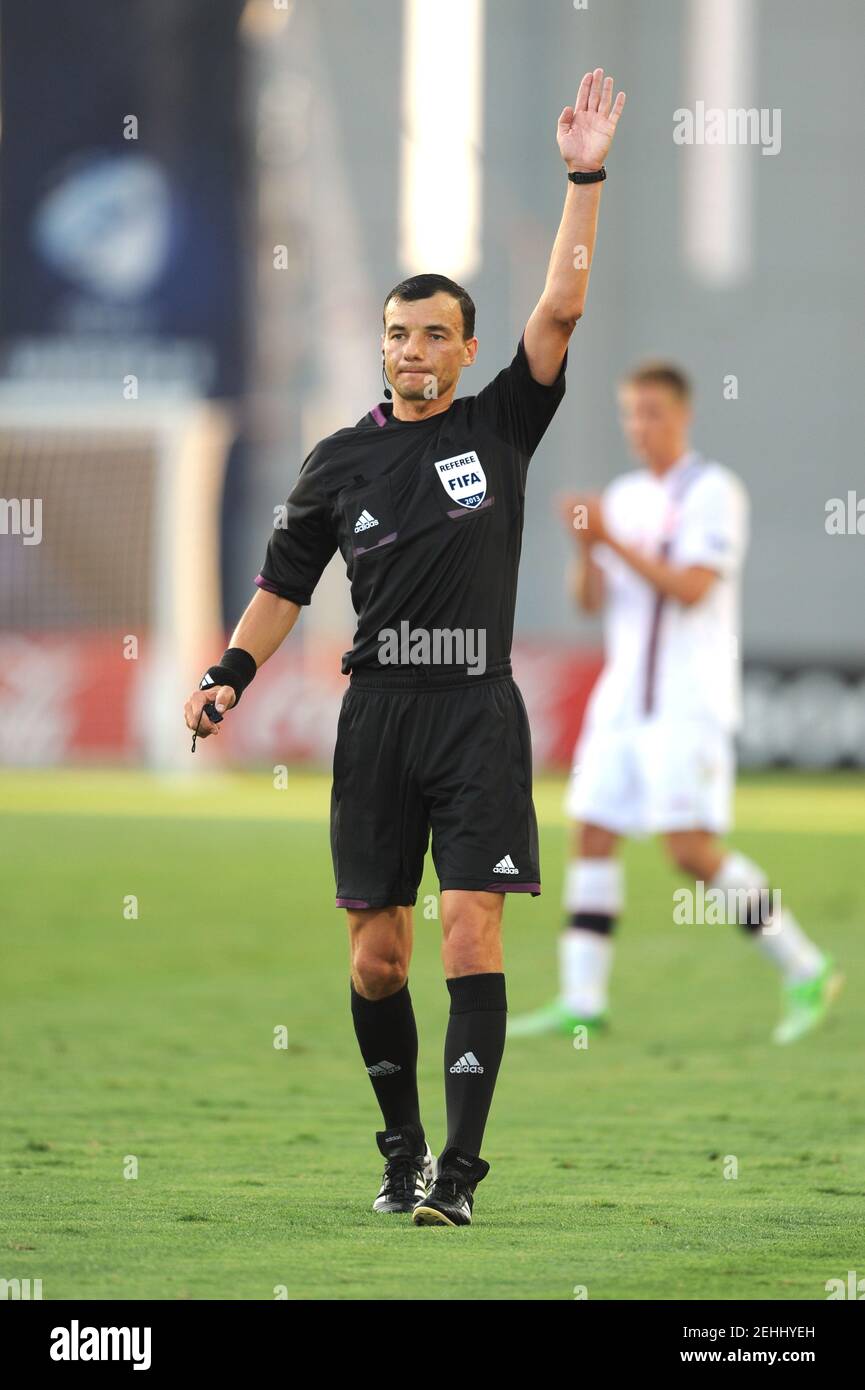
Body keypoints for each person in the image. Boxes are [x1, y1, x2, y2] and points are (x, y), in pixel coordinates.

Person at [184, 70, 627, 1226]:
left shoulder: (500, 422)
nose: (413, 349)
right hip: (376, 715)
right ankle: (400, 1150)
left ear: (467, 346)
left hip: (475, 711)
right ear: (379, 349)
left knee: (469, 929)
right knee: (377, 957)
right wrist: (230, 672)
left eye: (434, 334)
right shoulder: (335, 462)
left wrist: (584, 176)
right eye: (397, 334)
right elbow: (282, 588)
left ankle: (460, 1179)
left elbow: (564, 310)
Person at [509, 362, 842, 1046]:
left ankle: (804, 965)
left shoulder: (712, 491)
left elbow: (690, 588)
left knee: (688, 850)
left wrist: (608, 540)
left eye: (653, 411)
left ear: (683, 415)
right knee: (591, 830)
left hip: (687, 701)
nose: (639, 425)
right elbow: (588, 602)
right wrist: (584, 550)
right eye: (631, 412)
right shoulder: (625, 495)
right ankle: (581, 999)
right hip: (624, 697)